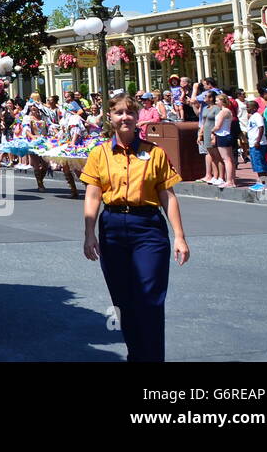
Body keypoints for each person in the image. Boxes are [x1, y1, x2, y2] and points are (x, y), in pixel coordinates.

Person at [81, 93, 189, 363]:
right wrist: (88, 233)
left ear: (138, 116)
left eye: (130, 112)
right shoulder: (99, 154)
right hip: (113, 227)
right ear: (110, 118)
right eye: (119, 112)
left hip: (148, 228)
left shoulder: (155, 153)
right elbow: (93, 195)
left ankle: (152, 358)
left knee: (150, 297)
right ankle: (136, 355)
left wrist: (179, 236)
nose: (125, 117)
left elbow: (168, 196)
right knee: (124, 299)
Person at [211, 92, 238, 187]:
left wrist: (211, 131)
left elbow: (218, 126)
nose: (216, 102)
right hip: (225, 135)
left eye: (217, 100)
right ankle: (232, 180)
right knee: (229, 158)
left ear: (222, 101)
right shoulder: (226, 111)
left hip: (223, 135)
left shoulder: (224, 111)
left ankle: (229, 181)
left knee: (226, 159)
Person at [196, 91, 222, 186]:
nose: (204, 98)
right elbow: (203, 122)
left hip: (213, 133)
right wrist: (200, 134)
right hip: (206, 133)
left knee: (217, 156)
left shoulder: (216, 109)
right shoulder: (205, 108)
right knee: (211, 155)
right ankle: (214, 176)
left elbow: (218, 122)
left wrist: (214, 134)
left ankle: (221, 177)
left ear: (211, 98)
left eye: (206, 96)